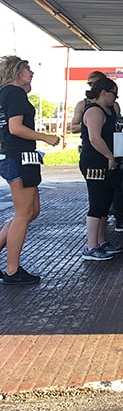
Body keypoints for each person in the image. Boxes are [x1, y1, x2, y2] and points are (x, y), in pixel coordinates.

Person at [0, 55, 60, 283]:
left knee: (31, 211)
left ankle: (10, 266)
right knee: (24, 214)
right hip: (19, 157)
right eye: (27, 69)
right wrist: (45, 137)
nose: (31, 72)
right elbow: (16, 128)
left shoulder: (4, 94)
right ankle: (12, 270)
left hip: (16, 156)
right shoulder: (14, 94)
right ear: (16, 71)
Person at [79, 76, 123, 260]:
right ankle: (91, 246)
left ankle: (101, 240)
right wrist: (109, 157)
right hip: (95, 161)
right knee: (97, 202)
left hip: (108, 160)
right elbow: (94, 138)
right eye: (114, 94)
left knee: (105, 201)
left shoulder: (109, 110)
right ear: (103, 92)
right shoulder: (94, 112)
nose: (115, 98)